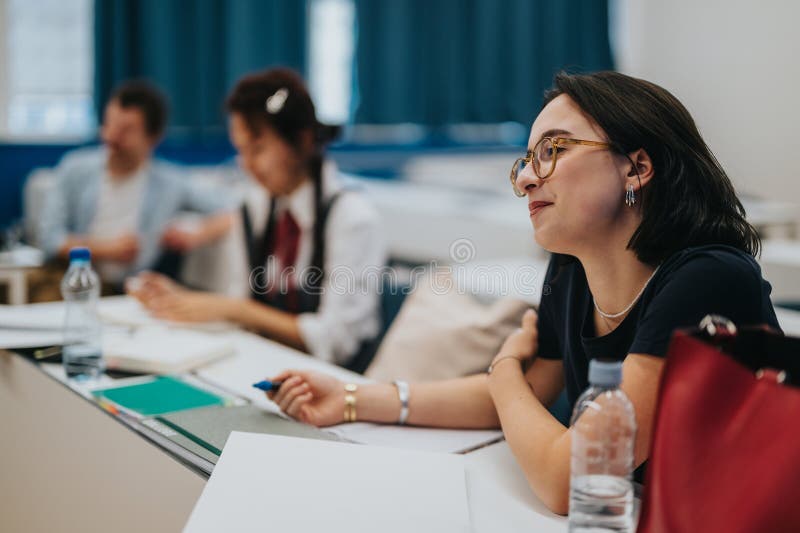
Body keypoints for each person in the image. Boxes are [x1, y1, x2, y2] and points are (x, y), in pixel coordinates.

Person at [263, 71, 781, 514]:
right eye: (528, 160)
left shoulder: (708, 277)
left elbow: (570, 479)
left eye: (553, 150)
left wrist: (504, 371)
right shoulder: (574, 268)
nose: (528, 178)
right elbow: (520, 399)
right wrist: (351, 400)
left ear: (637, 167)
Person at [130, 68, 386, 370]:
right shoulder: (256, 206)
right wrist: (183, 301)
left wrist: (234, 309)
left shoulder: (352, 217)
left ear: (302, 141)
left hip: (335, 384)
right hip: (268, 367)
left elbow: (335, 340)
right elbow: (242, 303)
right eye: (241, 151)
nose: (247, 165)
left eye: (258, 149)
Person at [38, 80, 236, 290]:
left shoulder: (170, 183)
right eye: (109, 124)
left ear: (153, 137)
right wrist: (108, 249)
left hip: (130, 288)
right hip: (71, 281)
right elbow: (49, 239)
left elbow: (235, 209)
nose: (112, 136)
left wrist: (197, 234)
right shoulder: (74, 168)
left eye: (126, 130)